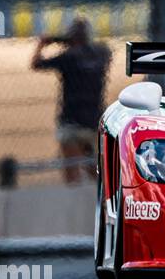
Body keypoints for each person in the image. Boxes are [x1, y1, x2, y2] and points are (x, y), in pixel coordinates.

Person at [31, 17, 111, 184]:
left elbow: (36, 63)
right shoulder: (101, 54)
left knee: (71, 174)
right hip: (94, 121)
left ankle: (75, 202)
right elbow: (102, 51)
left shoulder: (68, 57)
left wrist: (43, 44)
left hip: (71, 122)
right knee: (95, 171)